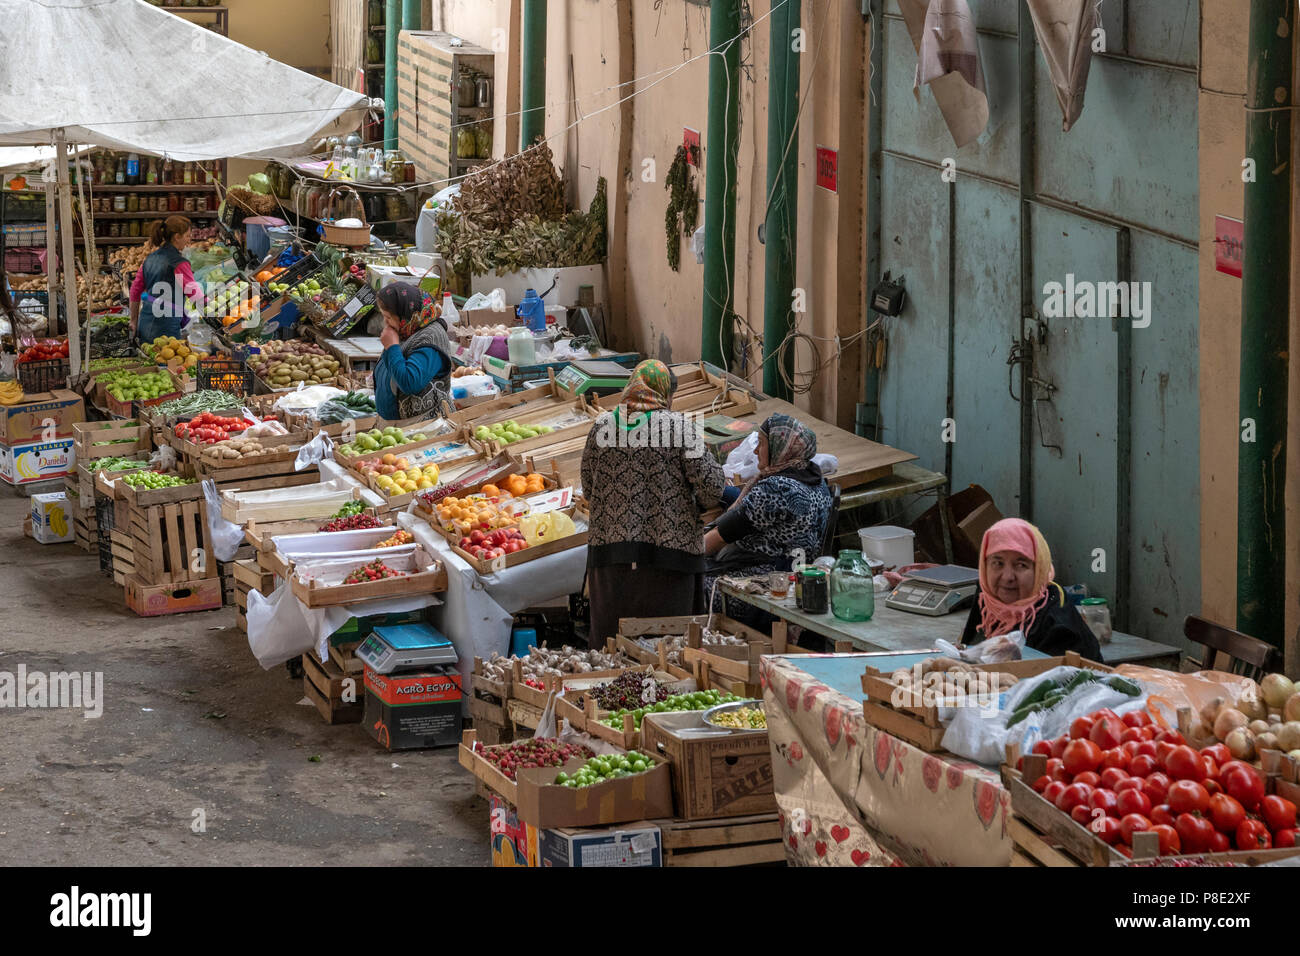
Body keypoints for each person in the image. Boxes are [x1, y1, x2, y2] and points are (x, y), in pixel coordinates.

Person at [581, 360, 727, 646]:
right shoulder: (680, 426)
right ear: (665, 394)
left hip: (611, 560)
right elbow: (713, 489)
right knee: (667, 653)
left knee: (613, 652)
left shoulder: (602, 426)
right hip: (670, 562)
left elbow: (588, 488)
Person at [703, 413, 834, 619]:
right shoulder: (815, 479)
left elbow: (719, 537)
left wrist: (684, 555)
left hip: (770, 578)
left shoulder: (776, 489)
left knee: (691, 586)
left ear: (781, 448)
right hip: (796, 573)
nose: (755, 451)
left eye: (762, 444)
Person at [960, 517, 1103, 659]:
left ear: (1039, 570)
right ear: (985, 566)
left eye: (1021, 565)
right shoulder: (987, 601)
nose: (1007, 577)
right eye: (998, 563)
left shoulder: (1059, 627)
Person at [372, 283, 453, 421]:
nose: (385, 323)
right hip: (396, 429)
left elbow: (410, 382)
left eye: (389, 317)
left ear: (406, 315)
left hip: (424, 428)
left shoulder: (431, 338)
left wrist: (392, 348)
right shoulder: (407, 331)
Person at [129, 216, 205, 343]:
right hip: (165, 326)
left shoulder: (149, 259)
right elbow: (196, 296)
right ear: (177, 237)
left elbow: (135, 291)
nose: (189, 240)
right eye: (187, 236)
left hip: (145, 321)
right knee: (167, 361)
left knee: (147, 359)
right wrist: (219, 310)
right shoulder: (179, 263)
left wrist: (133, 321)